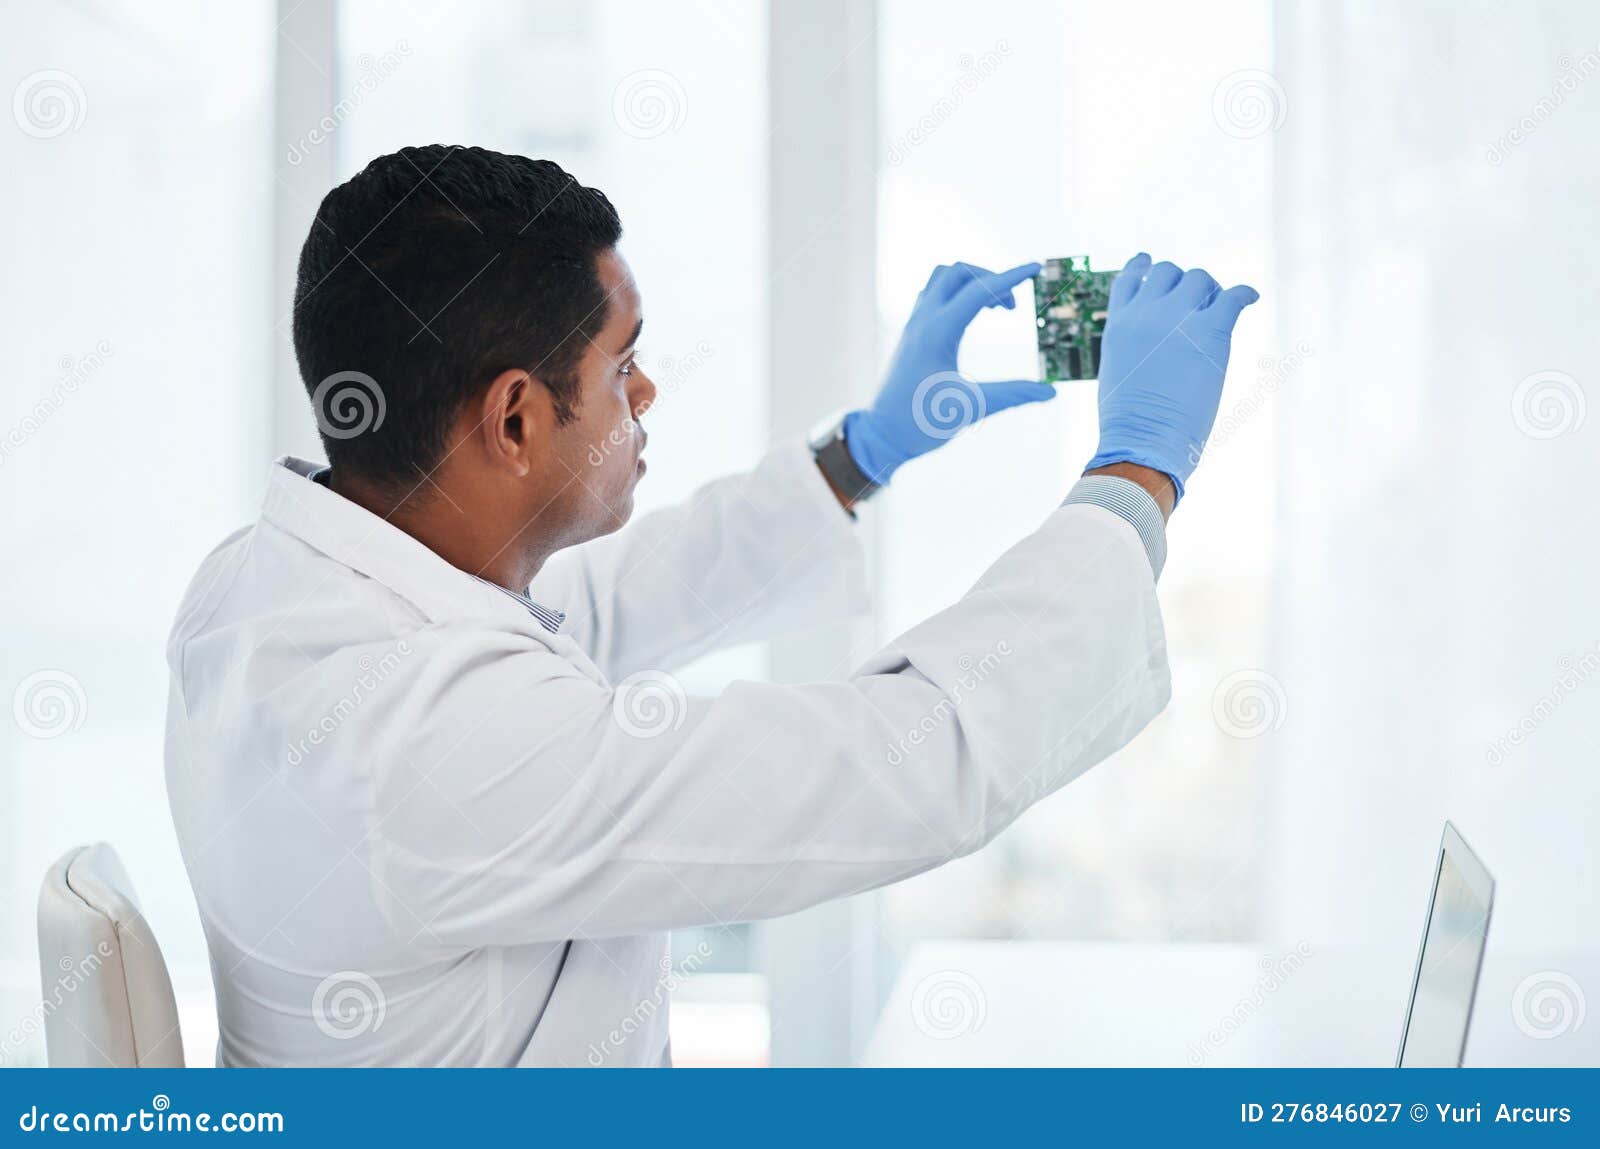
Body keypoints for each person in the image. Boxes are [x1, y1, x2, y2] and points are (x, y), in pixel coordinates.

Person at [164, 144, 1258, 1066]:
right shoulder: (435, 745)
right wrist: (1136, 474)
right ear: (512, 421)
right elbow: (904, 764)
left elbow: (605, 603)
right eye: (620, 365)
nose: (644, 395)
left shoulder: (273, 588)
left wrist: (860, 454)